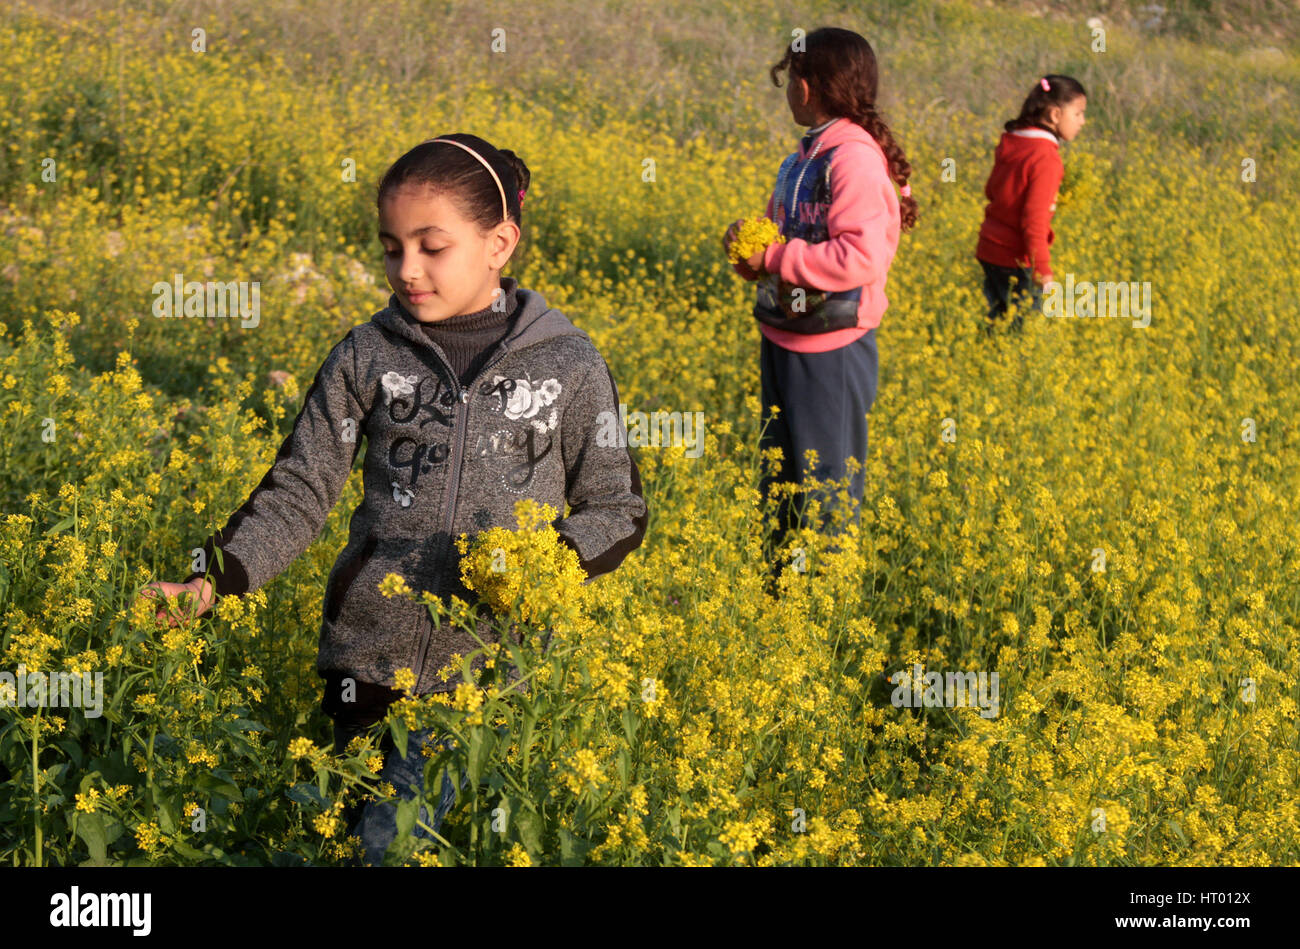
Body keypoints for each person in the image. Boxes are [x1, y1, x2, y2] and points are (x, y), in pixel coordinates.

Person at [142, 133, 648, 864]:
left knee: (388, 847)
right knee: (347, 839)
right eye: (390, 247)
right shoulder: (366, 355)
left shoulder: (570, 366)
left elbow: (616, 507)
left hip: (491, 678)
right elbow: (299, 488)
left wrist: (547, 562)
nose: (405, 270)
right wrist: (208, 581)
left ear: (499, 243)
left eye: (431, 247)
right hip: (366, 664)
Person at [722, 27, 915, 584]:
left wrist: (778, 256)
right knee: (781, 476)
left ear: (806, 88)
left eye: (788, 78)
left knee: (826, 482)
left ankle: (826, 601)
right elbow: (784, 242)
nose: (787, 91)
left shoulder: (851, 159)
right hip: (785, 333)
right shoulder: (805, 157)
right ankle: (782, 594)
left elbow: (859, 258)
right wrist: (751, 250)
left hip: (830, 349)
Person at [975, 74, 1087, 334]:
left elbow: (991, 190)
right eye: (1079, 114)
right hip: (1016, 260)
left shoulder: (1012, 142)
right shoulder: (1045, 158)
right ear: (1055, 115)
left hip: (989, 251)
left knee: (994, 328)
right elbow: (1034, 221)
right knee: (1021, 338)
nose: (1083, 121)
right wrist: (1044, 272)